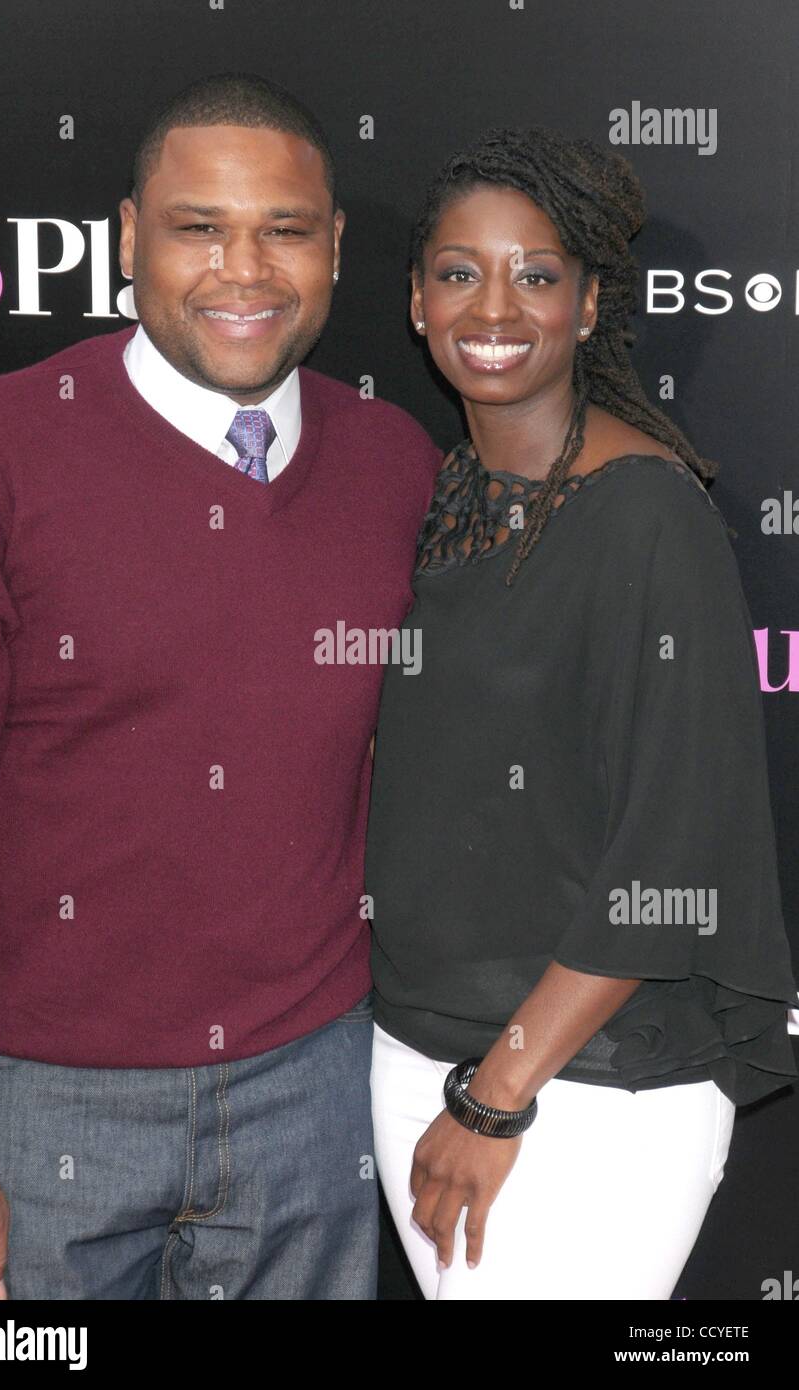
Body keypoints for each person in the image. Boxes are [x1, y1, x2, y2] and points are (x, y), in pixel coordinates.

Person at [0, 72, 441, 1300]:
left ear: (333, 246)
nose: (243, 270)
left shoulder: (394, 460)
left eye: (281, 228)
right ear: (126, 237)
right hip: (35, 1096)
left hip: (316, 1084)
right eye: (197, 227)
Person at [364, 125, 799, 1301]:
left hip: (584, 1090)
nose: (492, 305)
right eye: (458, 271)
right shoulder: (444, 493)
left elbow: (669, 857)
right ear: (414, 300)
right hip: (413, 1051)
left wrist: (493, 1094)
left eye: (536, 274)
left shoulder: (646, 515)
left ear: (589, 302)